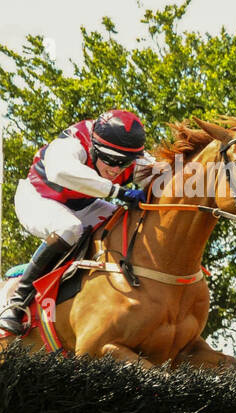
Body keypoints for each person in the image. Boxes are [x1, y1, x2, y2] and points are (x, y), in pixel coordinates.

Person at [1, 110, 153, 335]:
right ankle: (16, 302)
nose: (115, 169)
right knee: (69, 228)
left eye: (125, 163)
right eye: (110, 160)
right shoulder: (73, 143)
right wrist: (117, 191)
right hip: (38, 198)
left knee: (126, 225)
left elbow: (169, 175)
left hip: (84, 206)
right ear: (94, 147)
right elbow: (60, 171)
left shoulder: (134, 157)